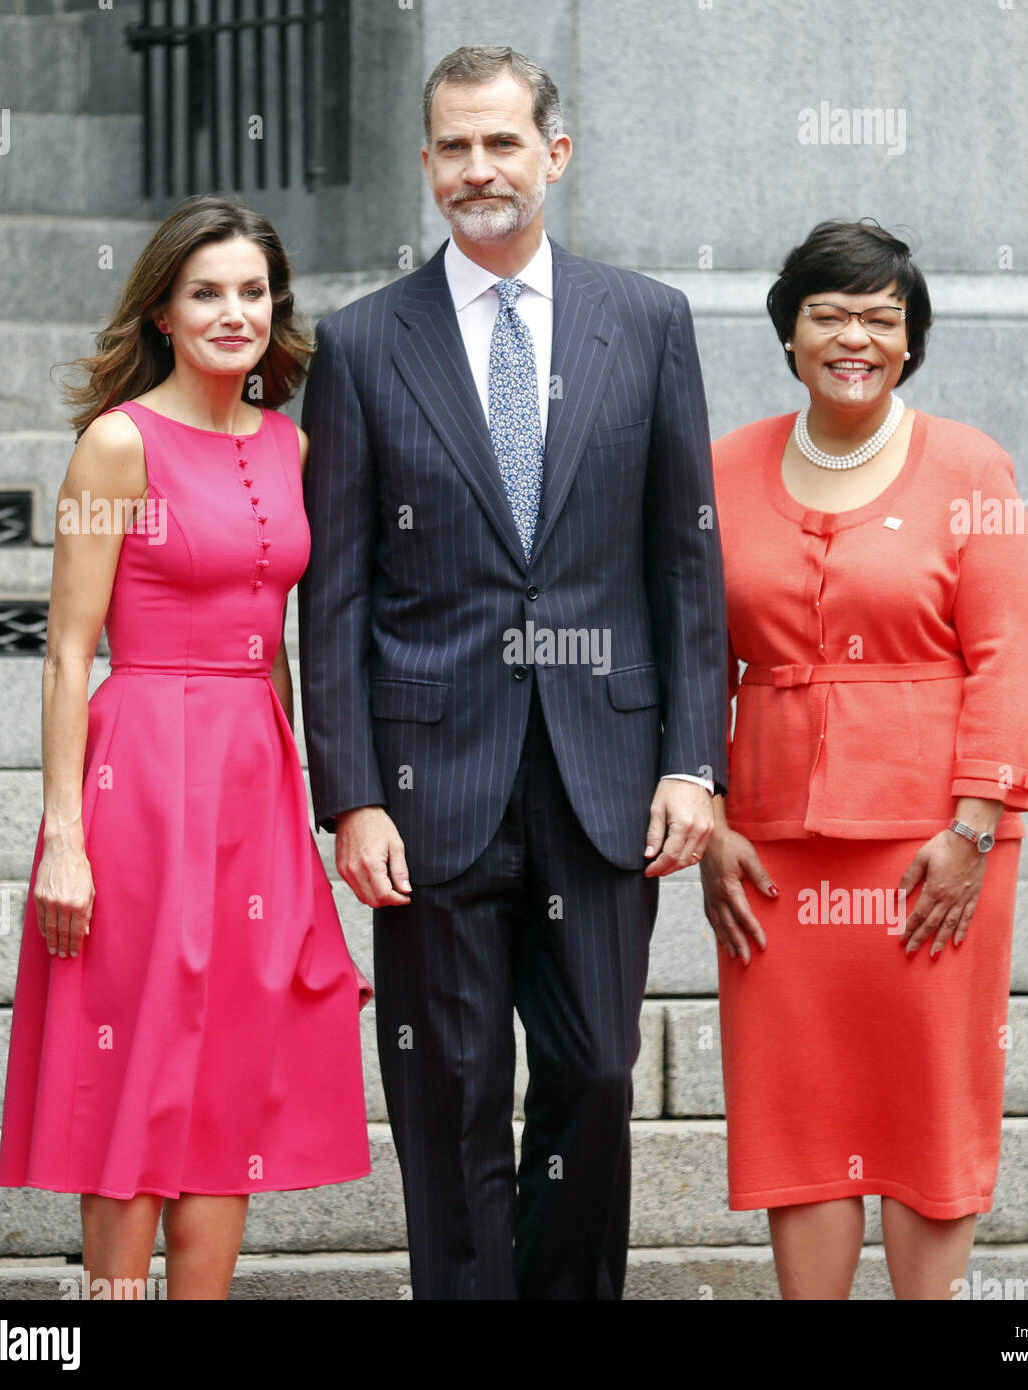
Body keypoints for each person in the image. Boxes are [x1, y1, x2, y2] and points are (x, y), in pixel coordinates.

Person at [299, 45, 727, 1300]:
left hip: (607, 771)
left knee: (596, 1070)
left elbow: (687, 566)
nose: (477, 169)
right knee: (451, 1086)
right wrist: (353, 793)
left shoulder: (645, 321)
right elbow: (334, 597)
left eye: (501, 142)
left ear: (556, 151)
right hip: (432, 781)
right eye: (452, 146)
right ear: (426, 163)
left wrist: (694, 760)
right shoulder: (364, 344)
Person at [0, 196, 372, 1300]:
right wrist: (64, 837)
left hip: (254, 773)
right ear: (162, 307)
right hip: (143, 768)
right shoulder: (115, 445)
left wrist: (302, 804)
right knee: (135, 1051)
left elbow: (286, 643)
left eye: (253, 291)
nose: (233, 311)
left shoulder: (291, 441)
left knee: (232, 1064)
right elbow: (69, 654)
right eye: (207, 291)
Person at [703, 219, 1028, 1300]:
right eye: (830, 314)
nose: (854, 336)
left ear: (910, 340)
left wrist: (975, 828)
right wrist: (707, 816)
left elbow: (1006, 657)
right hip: (769, 850)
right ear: (790, 332)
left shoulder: (969, 465)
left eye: (880, 318)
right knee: (800, 1108)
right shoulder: (724, 466)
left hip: (933, 848)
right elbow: (688, 659)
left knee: (927, 1106)